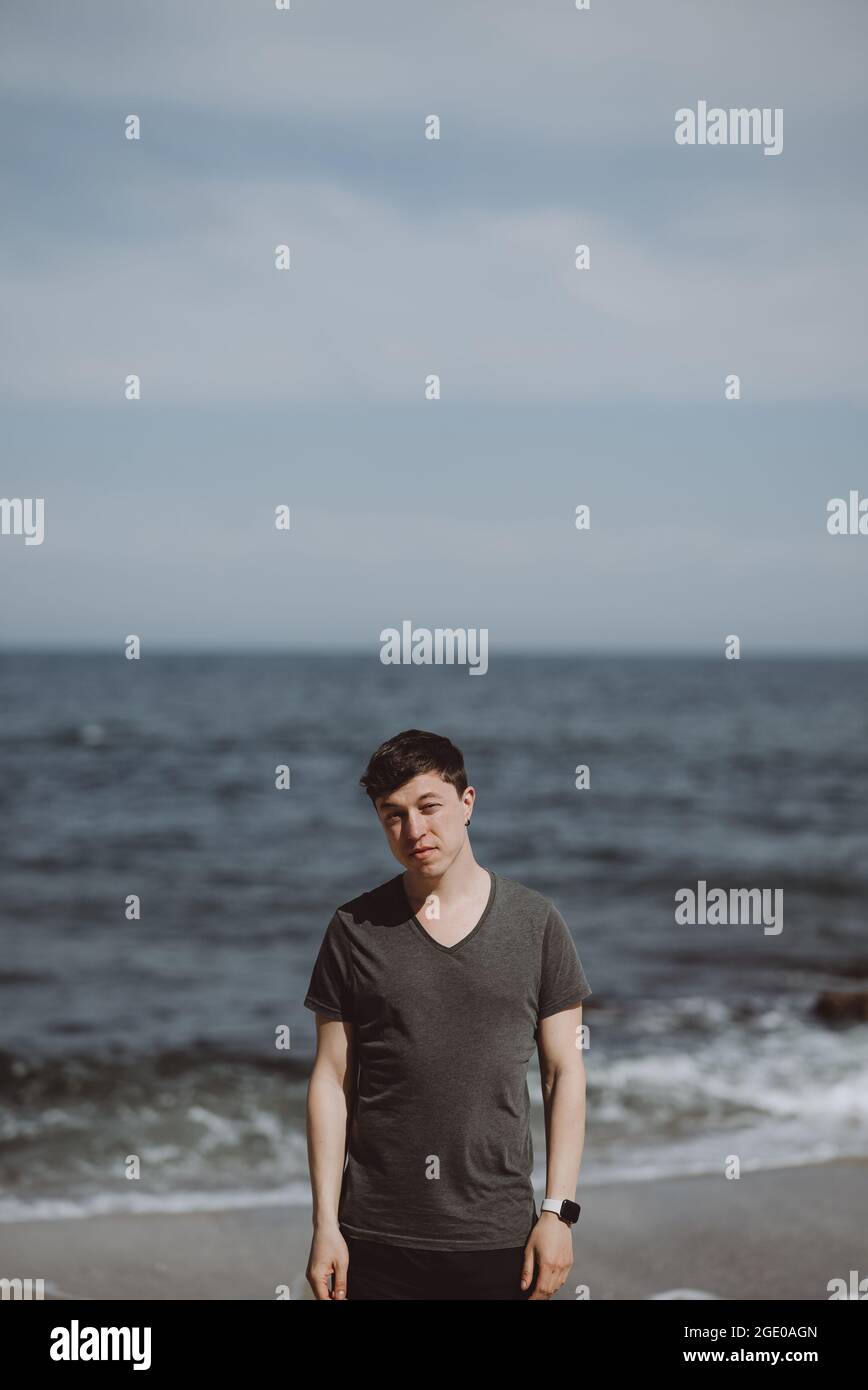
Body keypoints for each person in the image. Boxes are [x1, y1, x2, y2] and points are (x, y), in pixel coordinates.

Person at [303, 728, 592, 1300]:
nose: (414, 831)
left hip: (499, 1236)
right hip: (374, 1238)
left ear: (467, 802)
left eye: (428, 807)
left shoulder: (536, 924)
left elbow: (565, 1072)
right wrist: (325, 1226)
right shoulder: (353, 929)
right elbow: (330, 1079)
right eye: (393, 815)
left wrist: (558, 1214)